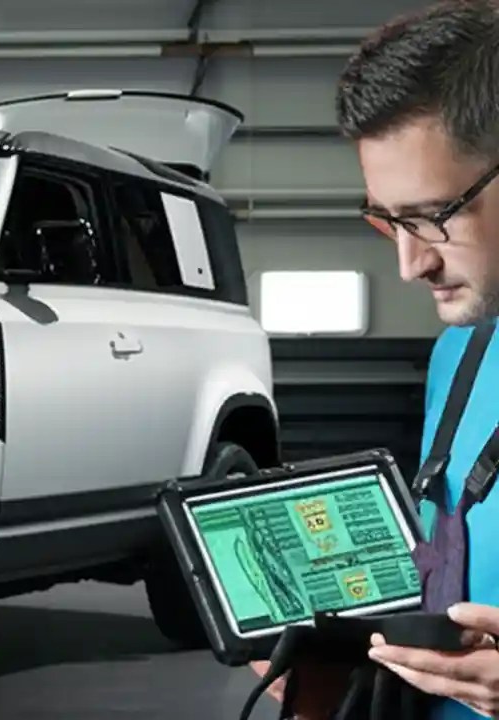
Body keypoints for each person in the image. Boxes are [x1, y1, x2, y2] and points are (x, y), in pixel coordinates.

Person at [249, 1, 499, 717]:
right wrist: (344, 674)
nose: (408, 263)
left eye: (431, 218)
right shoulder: (460, 357)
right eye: (389, 219)